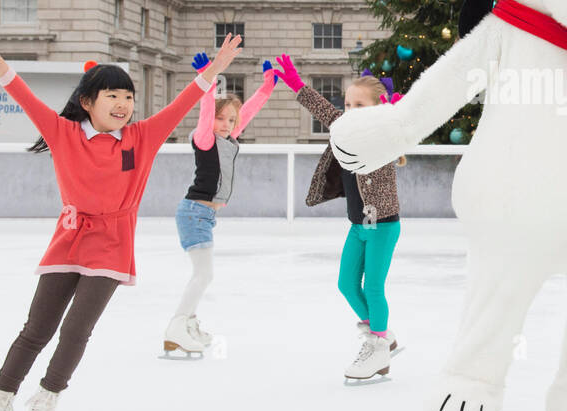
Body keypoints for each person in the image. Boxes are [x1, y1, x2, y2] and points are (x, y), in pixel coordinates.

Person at [0, 22, 241, 411]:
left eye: (128, 95)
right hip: (69, 237)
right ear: (87, 102)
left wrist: (214, 71)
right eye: (112, 94)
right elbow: (22, 95)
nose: (123, 103)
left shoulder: (141, 137)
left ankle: (47, 400)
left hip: (112, 243)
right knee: (37, 328)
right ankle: (0, 399)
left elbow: (183, 104)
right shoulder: (64, 132)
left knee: (76, 329)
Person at [275, 56, 405, 384]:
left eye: (359, 105)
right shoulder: (343, 128)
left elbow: (400, 133)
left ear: (377, 109)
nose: (349, 111)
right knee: (347, 284)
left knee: (373, 287)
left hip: (381, 224)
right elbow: (322, 109)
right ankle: (383, 335)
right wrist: (295, 83)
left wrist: (393, 117)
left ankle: (377, 346)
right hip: (358, 225)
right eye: (347, 104)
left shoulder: (382, 137)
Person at [165, 54, 278, 357]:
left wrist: (266, 88)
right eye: (221, 118)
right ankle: (177, 326)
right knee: (204, 275)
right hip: (194, 214)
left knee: (202, 274)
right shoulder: (204, 139)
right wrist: (209, 77)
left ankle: (187, 325)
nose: (226, 124)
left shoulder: (228, 141)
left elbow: (248, 113)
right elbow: (205, 112)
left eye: (231, 120)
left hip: (203, 216)